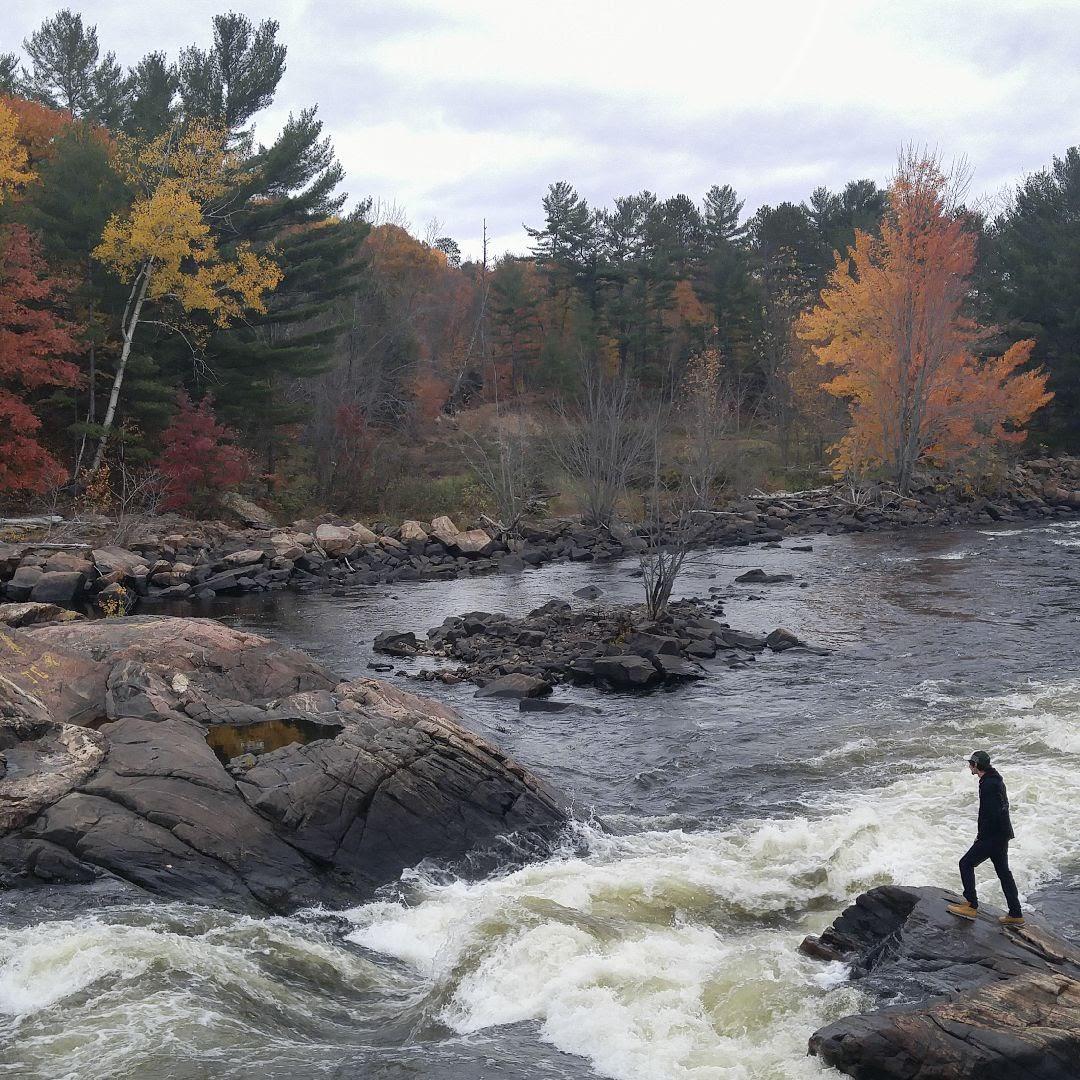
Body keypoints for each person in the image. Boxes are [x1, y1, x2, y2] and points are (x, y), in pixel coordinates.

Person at [946, 750, 1024, 925]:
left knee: (965, 863)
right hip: (1002, 834)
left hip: (993, 835)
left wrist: (981, 837)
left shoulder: (988, 784)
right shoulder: (994, 779)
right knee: (1004, 873)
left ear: (976, 765)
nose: (968, 767)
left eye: (970, 764)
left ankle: (971, 905)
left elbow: (989, 814)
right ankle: (1016, 914)